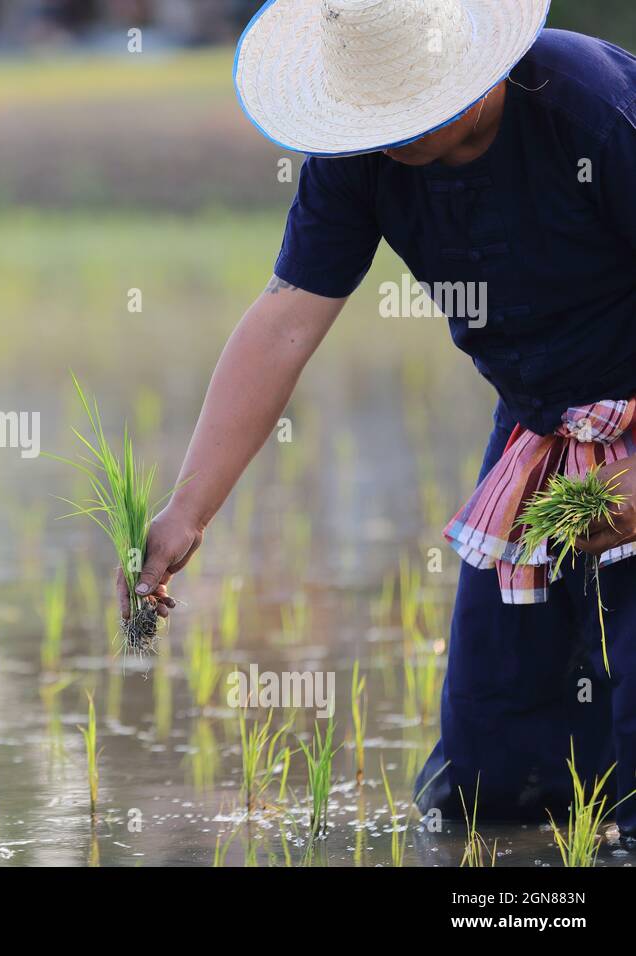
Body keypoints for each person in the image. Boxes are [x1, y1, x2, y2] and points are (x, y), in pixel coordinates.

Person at [123, 0, 636, 844]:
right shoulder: (361, 154)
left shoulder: (590, 108)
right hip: (536, 437)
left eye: (402, 109)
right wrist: (187, 509)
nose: (380, 134)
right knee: (488, 781)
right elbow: (287, 318)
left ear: (466, 75)